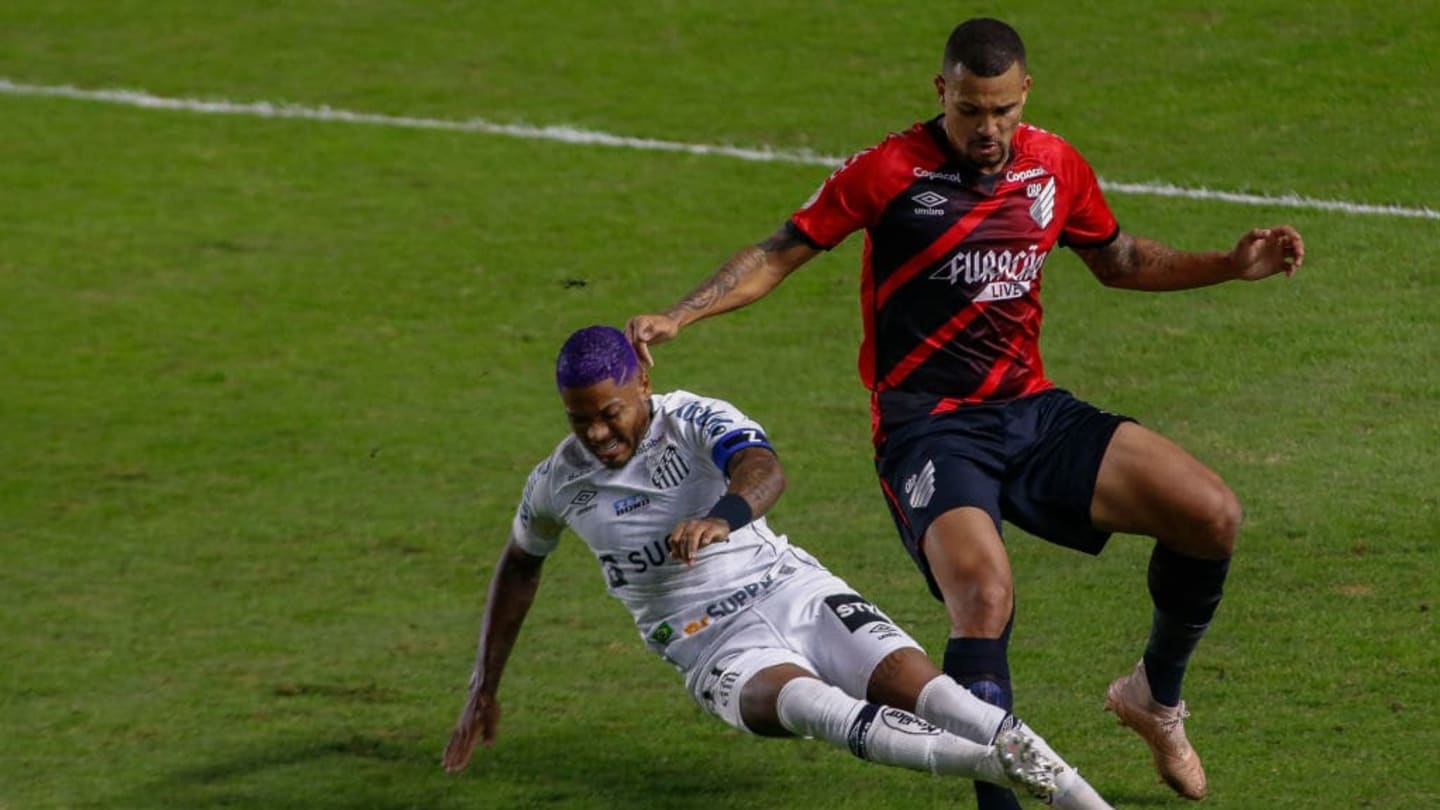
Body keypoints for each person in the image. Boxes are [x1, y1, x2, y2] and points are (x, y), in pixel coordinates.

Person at [625, 17, 1305, 807]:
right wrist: (683, 314)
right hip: (929, 428)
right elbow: (781, 250)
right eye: (971, 111)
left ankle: (1154, 698)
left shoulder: (1053, 165)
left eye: (1003, 112)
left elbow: (1116, 261)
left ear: (1025, 97)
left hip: (1029, 411)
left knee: (1211, 513)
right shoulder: (886, 171)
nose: (987, 130)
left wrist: (1228, 265)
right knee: (983, 596)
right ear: (941, 93)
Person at [442, 325, 1113, 810]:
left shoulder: (695, 417)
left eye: (608, 413)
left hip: (792, 588)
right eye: (579, 420)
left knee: (942, 698)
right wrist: (484, 681)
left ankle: (1067, 792)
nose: (596, 434)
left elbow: (763, 469)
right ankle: (1000, 764)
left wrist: (721, 517)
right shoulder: (557, 483)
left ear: (641, 383)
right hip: (711, 642)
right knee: (817, 709)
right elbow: (520, 566)